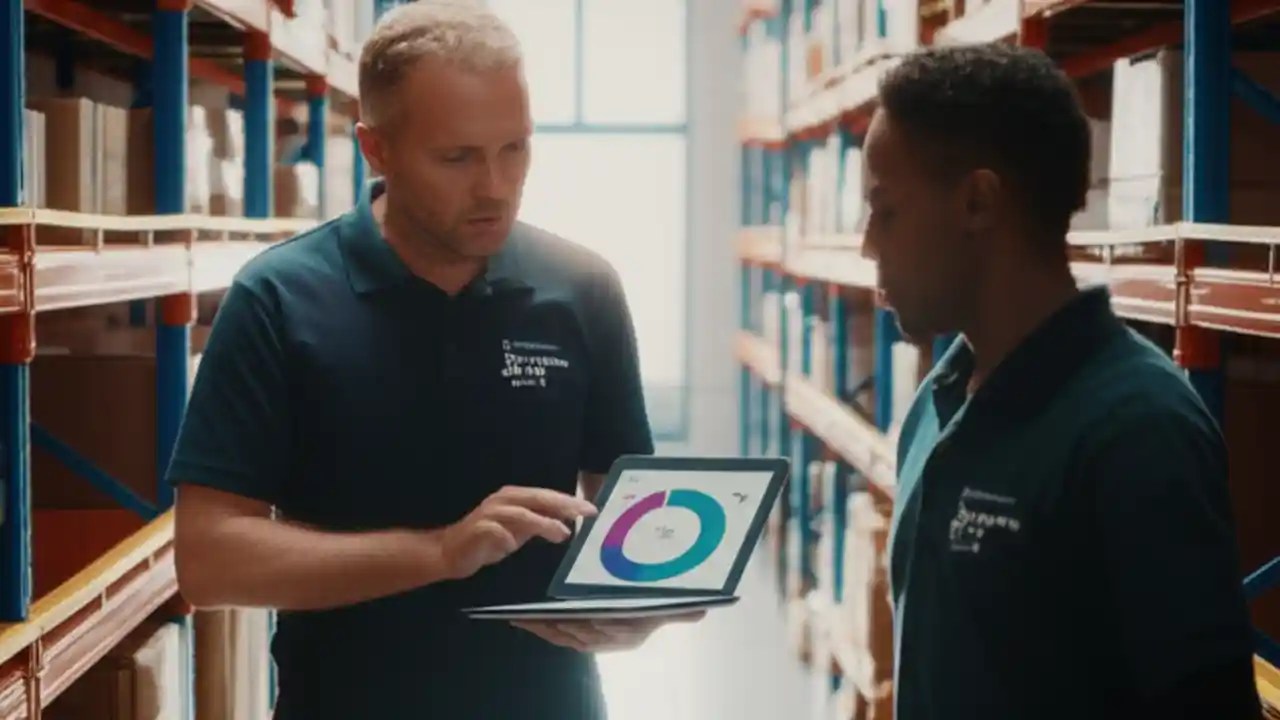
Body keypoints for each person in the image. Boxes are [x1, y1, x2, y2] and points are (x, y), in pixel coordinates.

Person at [168, 3, 700, 718]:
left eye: (516, 148)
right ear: (375, 148)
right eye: (458, 157)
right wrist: (440, 553)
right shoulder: (279, 298)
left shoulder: (582, 288)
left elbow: (627, 517)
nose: (496, 186)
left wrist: (644, 607)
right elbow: (209, 558)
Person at [861, 44, 1261, 719]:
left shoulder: (1138, 429)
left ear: (978, 202)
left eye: (886, 209)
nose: (868, 243)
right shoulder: (938, 403)